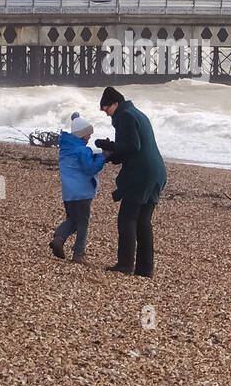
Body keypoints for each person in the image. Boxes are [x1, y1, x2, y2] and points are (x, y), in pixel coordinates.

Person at [94, 87, 167, 277]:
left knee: (127, 218)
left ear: (115, 104)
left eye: (106, 109)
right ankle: (145, 269)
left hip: (141, 174)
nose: (106, 113)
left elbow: (133, 146)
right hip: (156, 171)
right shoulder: (137, 114)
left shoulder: (125, 116)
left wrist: (109, 146)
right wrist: (113, 154)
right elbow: (132, 149)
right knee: (143, 221)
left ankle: (125, 264)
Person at [49, 111, 106, 264]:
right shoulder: (82, 150)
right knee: (82, 222)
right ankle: (78, 253)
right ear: (81, 135)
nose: (89, 138)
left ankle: (59, 239)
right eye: (88, 134)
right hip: (83, 193)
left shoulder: (66, 149)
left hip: (69, 193)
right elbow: (90, 169)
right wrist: (103, 157)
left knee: (73, 220)